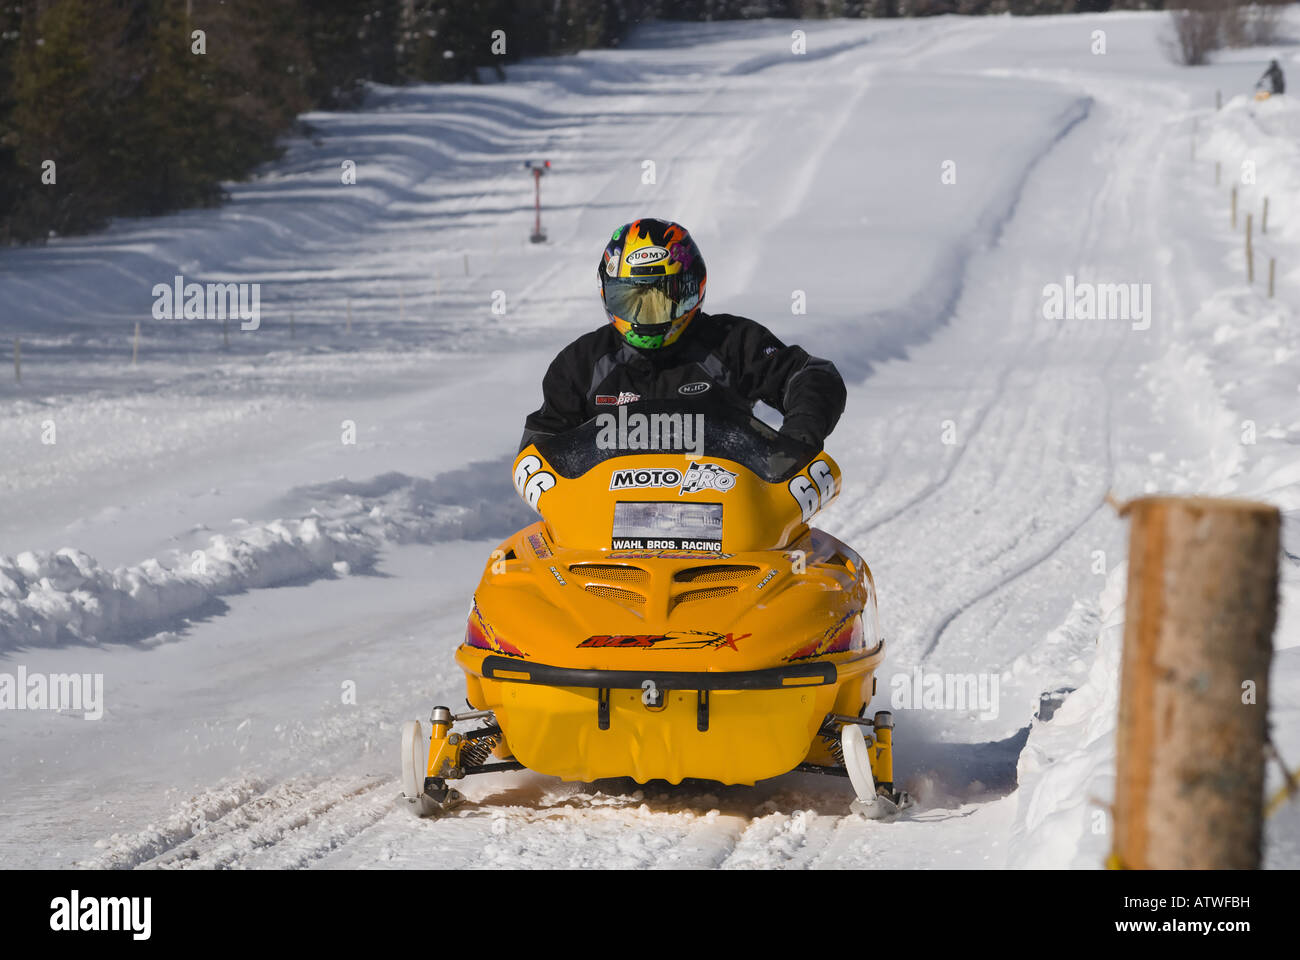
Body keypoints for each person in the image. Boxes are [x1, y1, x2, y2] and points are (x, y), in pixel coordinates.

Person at [519, 218, 846, 453]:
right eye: (631, 299)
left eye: (661, 298)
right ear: (608, 295)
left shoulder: (732, 343)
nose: (646, 313)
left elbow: (812, 375)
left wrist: (795, 443)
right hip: (605, 531)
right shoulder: (582, 362)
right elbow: (541, 443)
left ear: (691, 291)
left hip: (727, 523)